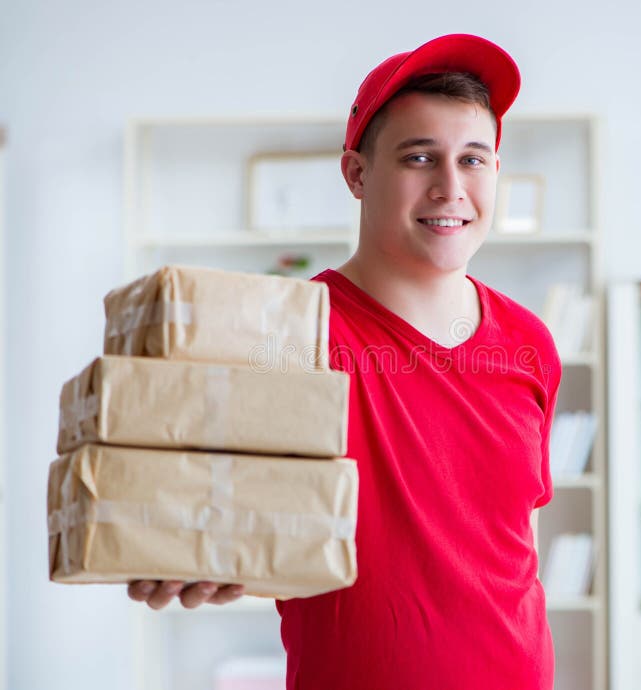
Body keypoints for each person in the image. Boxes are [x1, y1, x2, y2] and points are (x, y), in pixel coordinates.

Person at [129, 33, 561, 690]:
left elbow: (508, 544)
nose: (451, 186)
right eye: (420, 157)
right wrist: (192, 553)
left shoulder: (530, 345)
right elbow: (218, 509)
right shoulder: (280, 336)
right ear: (357, 174)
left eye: (474, 160)